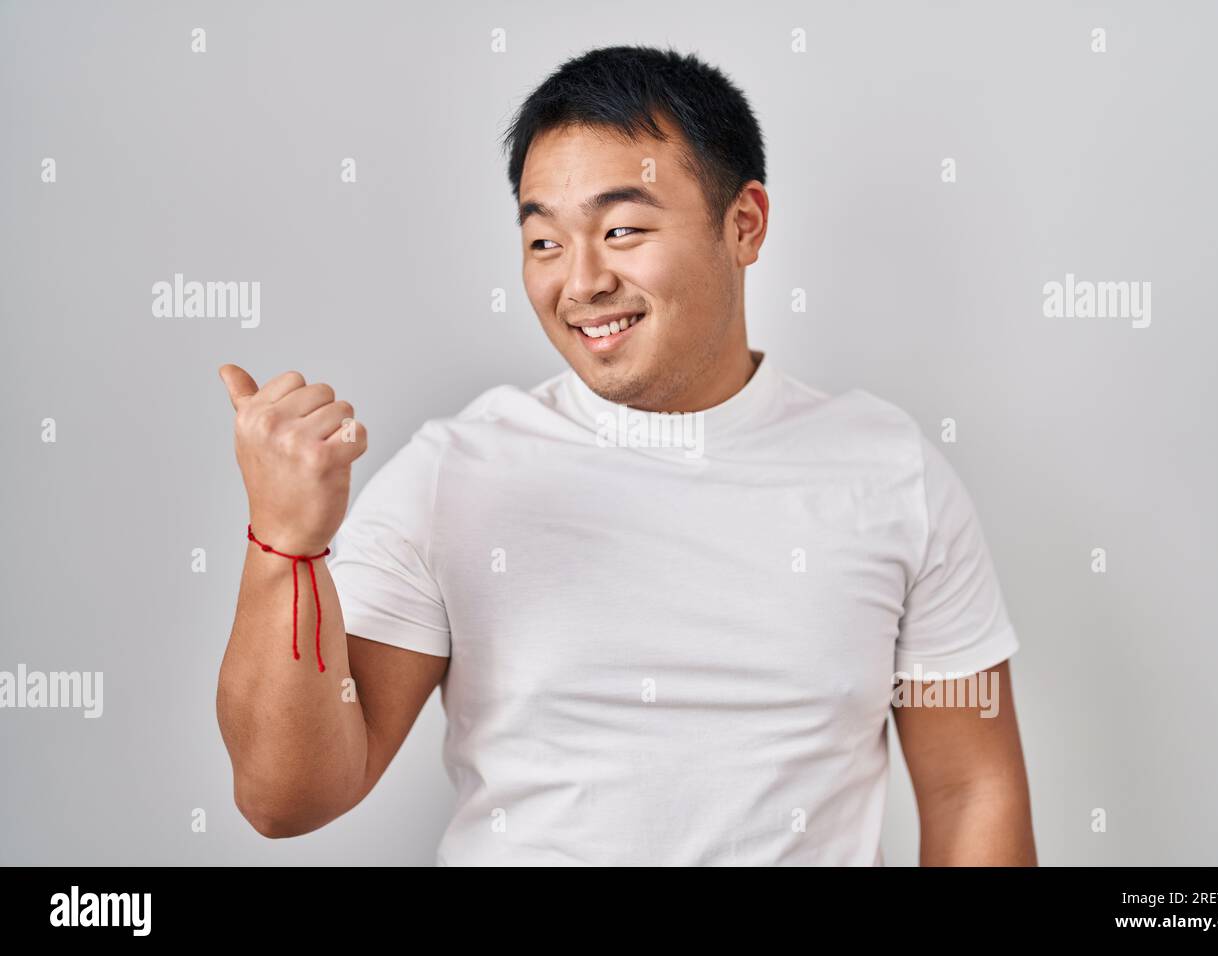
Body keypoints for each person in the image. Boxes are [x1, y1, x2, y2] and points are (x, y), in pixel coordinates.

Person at [215, 44, 1036, 865]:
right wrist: (284, 544)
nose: (582, 282)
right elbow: (286, 800)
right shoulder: (454, 476)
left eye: (622, 230)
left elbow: (973, 790)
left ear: (744, 223)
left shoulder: (889, 471)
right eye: (544, 243)